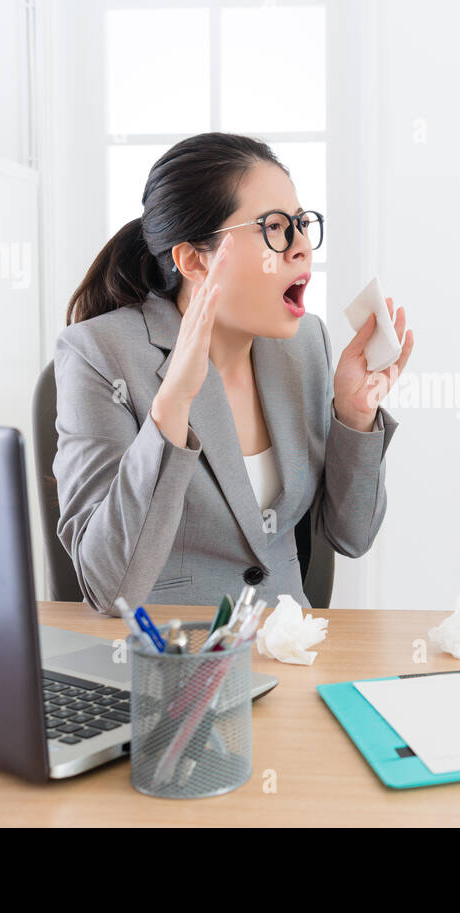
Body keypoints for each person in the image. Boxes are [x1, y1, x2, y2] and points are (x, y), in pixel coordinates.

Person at [53, 132, 414, 614]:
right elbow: (109, 587)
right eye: (274, 227)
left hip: (291, 649)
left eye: (302, 224)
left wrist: (353, 414)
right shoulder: (98, 355)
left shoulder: (307, 344)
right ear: (193, 260)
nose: (302, 246)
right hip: (166, 659)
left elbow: (353, 537)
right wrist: (171, 408)